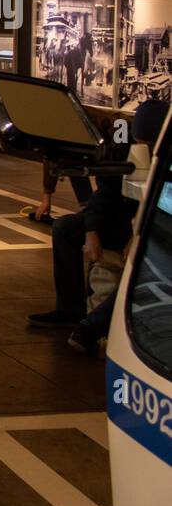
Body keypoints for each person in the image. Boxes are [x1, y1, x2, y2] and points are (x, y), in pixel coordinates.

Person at [29, 98, 170, 335]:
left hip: (154, 228)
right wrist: (91, 230)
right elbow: (105, 192)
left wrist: (140, 234)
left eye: (148, 143)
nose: (142, 147)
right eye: (139, 142)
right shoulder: (121, 143)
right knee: (66, 227)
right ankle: (70, 311)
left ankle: (104, 324)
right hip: (123, 219)